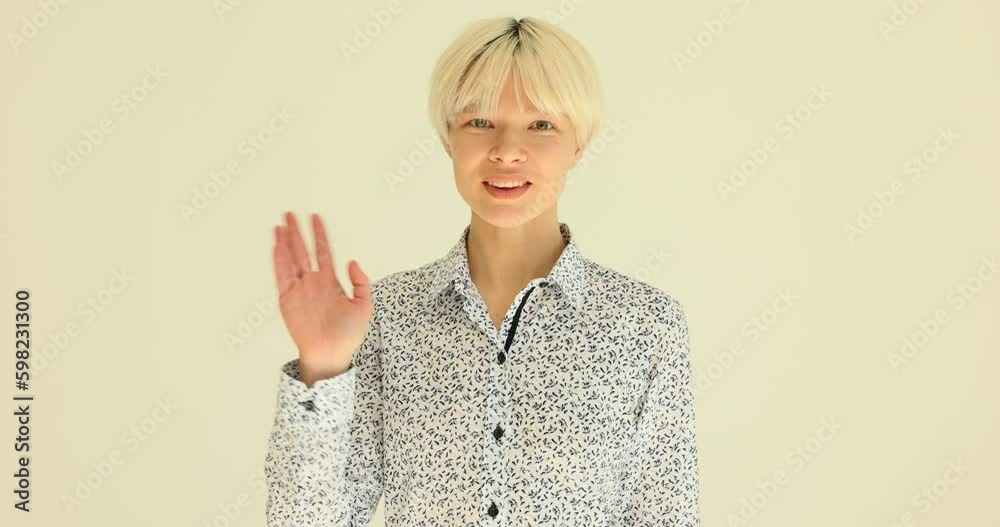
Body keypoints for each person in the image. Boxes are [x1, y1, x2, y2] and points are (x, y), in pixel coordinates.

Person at [265, 16, 702, 526]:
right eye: (480, 122)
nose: (506, 150)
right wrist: (322, 370)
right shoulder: (384, 317)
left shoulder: (645, 325)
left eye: (541, 125)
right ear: (449, 138)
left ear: (579, 145)